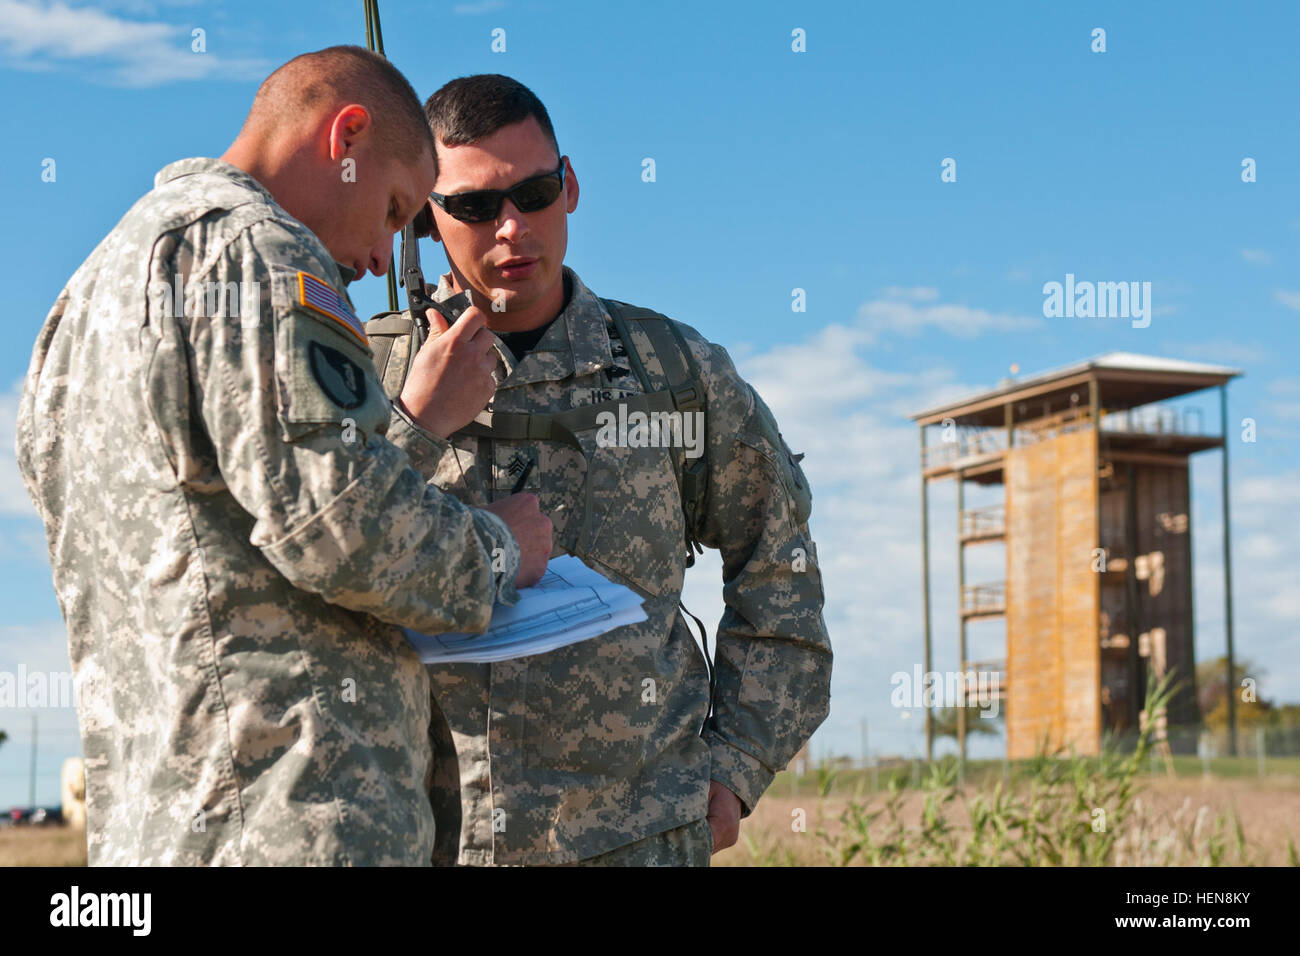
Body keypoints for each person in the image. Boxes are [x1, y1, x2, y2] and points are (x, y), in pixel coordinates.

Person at [14, 48, 552, 866]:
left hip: (160, 829)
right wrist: (501, 548)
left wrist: (407, 428)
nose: (379, 256)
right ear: (348, 138)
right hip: (292, 816)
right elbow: (343, 528)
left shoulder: (84, 297)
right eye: (395, 207)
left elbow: (228, 529)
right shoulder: (260, 254)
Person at [367, 74, 832, 866]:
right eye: (475, 207)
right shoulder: (367, 377)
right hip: (420, 842)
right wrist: (410, 424)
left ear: (571, 185)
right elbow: (307, 553)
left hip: (634, 842)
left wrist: (738, 763)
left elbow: (779, 563)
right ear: (422, 217)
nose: (513, 228)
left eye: (536, 192)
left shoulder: (671, 372)